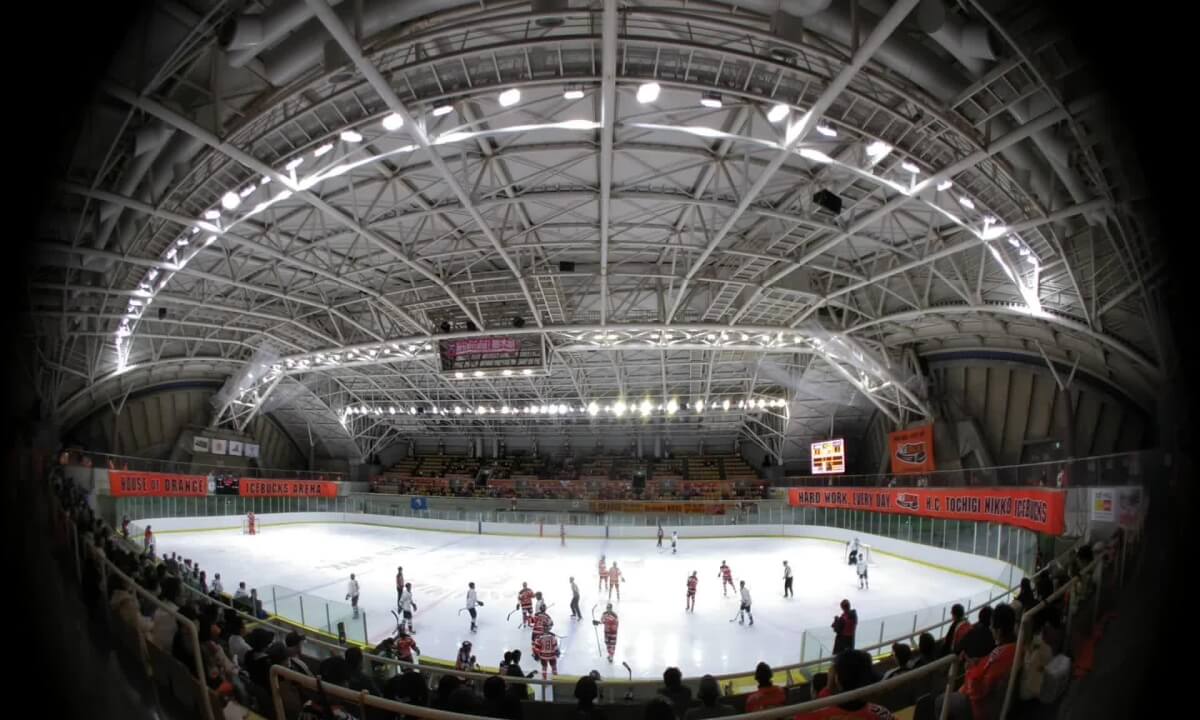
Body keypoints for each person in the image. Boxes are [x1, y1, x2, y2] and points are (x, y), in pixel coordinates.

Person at [936, 603, 1019, 720]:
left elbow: (977, 692)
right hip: (991, 702)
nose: (990, 629)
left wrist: (970, 669)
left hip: (980, 708)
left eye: (992, 626)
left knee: (940, 701)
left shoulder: (1001, 655)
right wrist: (978, 662)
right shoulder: (1015, 647)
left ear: (999, 631)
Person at [794, 649, 895, 719]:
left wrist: (828, 688)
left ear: (837, 680)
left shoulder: (806, 715)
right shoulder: (881, 713)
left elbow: (820, 709)